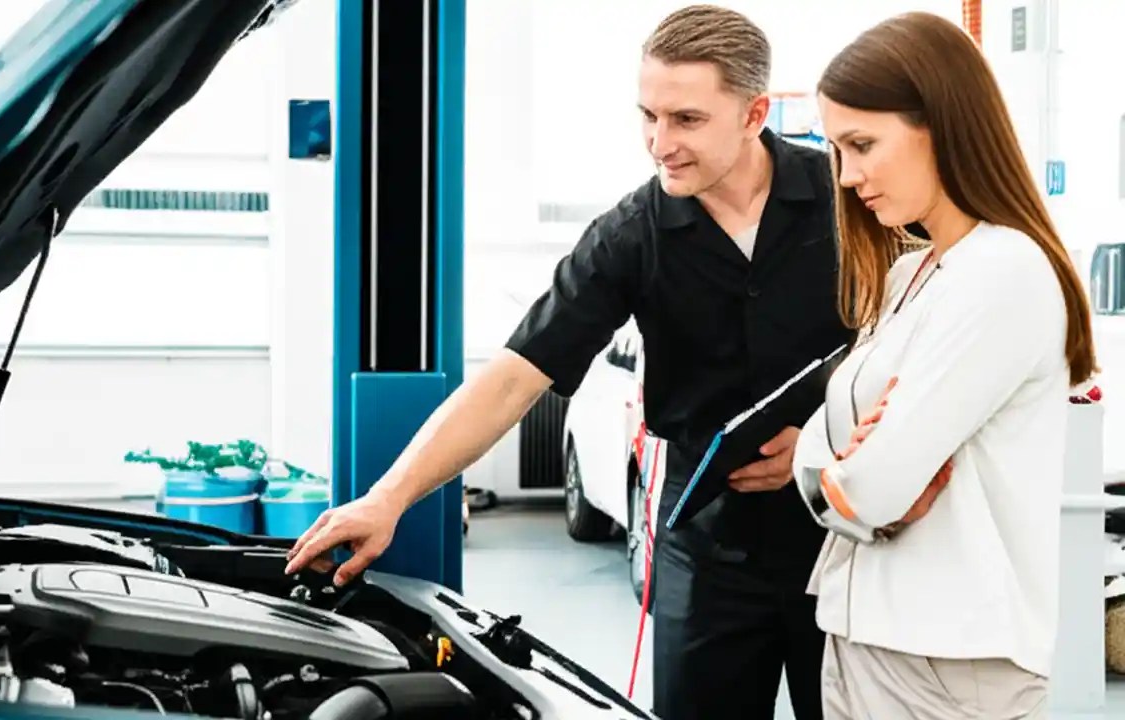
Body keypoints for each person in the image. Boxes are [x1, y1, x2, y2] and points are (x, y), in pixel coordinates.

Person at [285, 6, 852, 718]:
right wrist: (388, 498)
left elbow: (922, 343)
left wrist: (826, 443)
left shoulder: (849, 200)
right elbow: (512, 378)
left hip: (845, 532)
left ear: (754, 114)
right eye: (648, 116)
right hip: (707, 541)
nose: (660, 143)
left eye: (686, 119)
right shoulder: (630, 237)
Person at [791, 11, 1097, 719]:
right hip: (866, 637)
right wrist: (838, 465)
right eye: (837, 150)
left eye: (862, 144)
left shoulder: (1004, 271)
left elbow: (873, 490)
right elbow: (829, 445)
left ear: (940, 122)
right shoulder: (913, 275)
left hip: (949, 660)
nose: (846, 176)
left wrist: (842, 473)